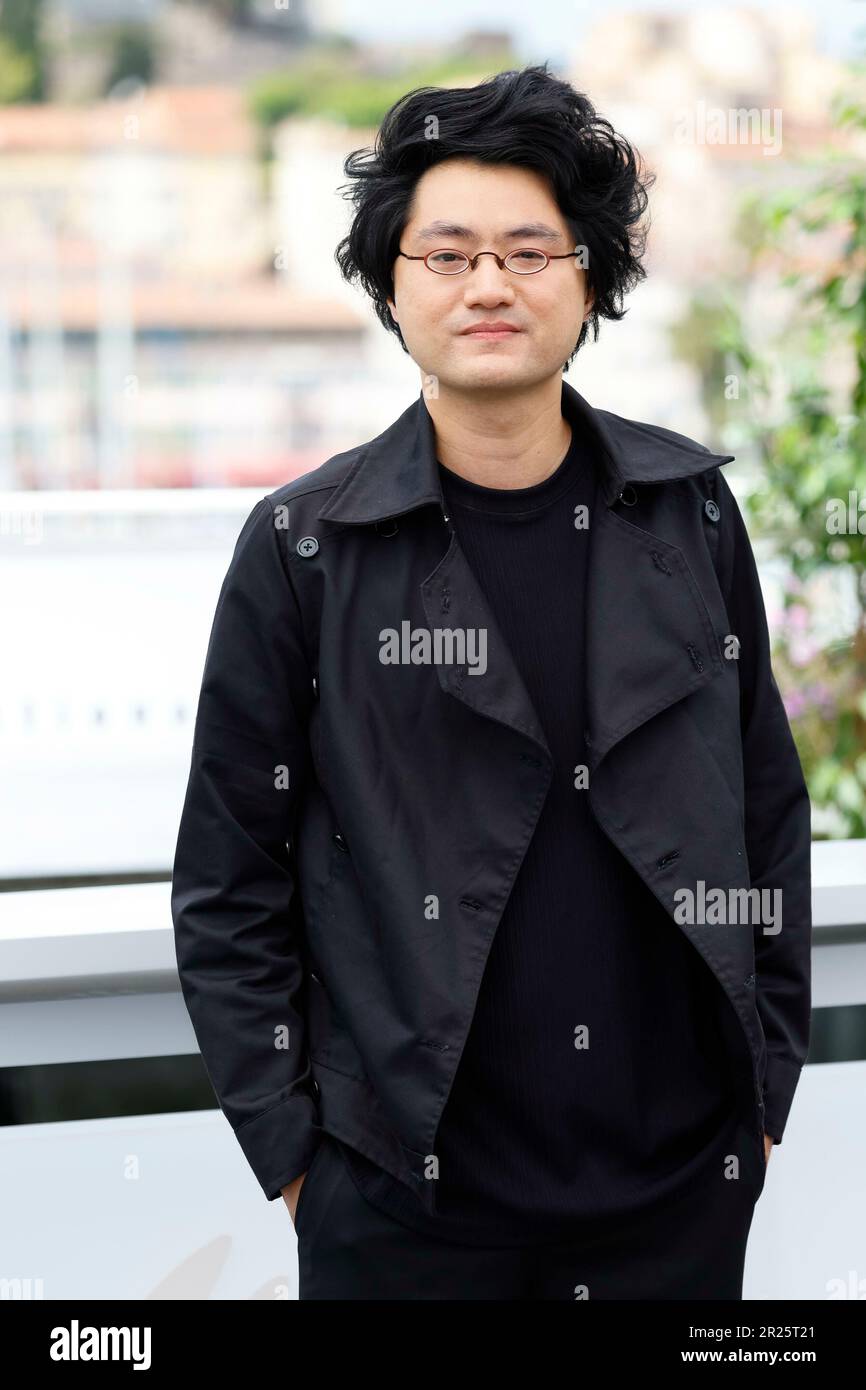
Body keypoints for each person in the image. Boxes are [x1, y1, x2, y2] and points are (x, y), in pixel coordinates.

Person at [171, 64, 812, 1300]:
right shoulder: (305, 547)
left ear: (588, 281)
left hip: (674, 1195)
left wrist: (763, 1091)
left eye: (529, 250)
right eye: (445, 253)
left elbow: (761, 821)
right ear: (391, 285)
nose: (487, 285)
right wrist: (298, 1157)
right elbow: (226, 877)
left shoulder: (686, 513)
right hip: (402, 1207)